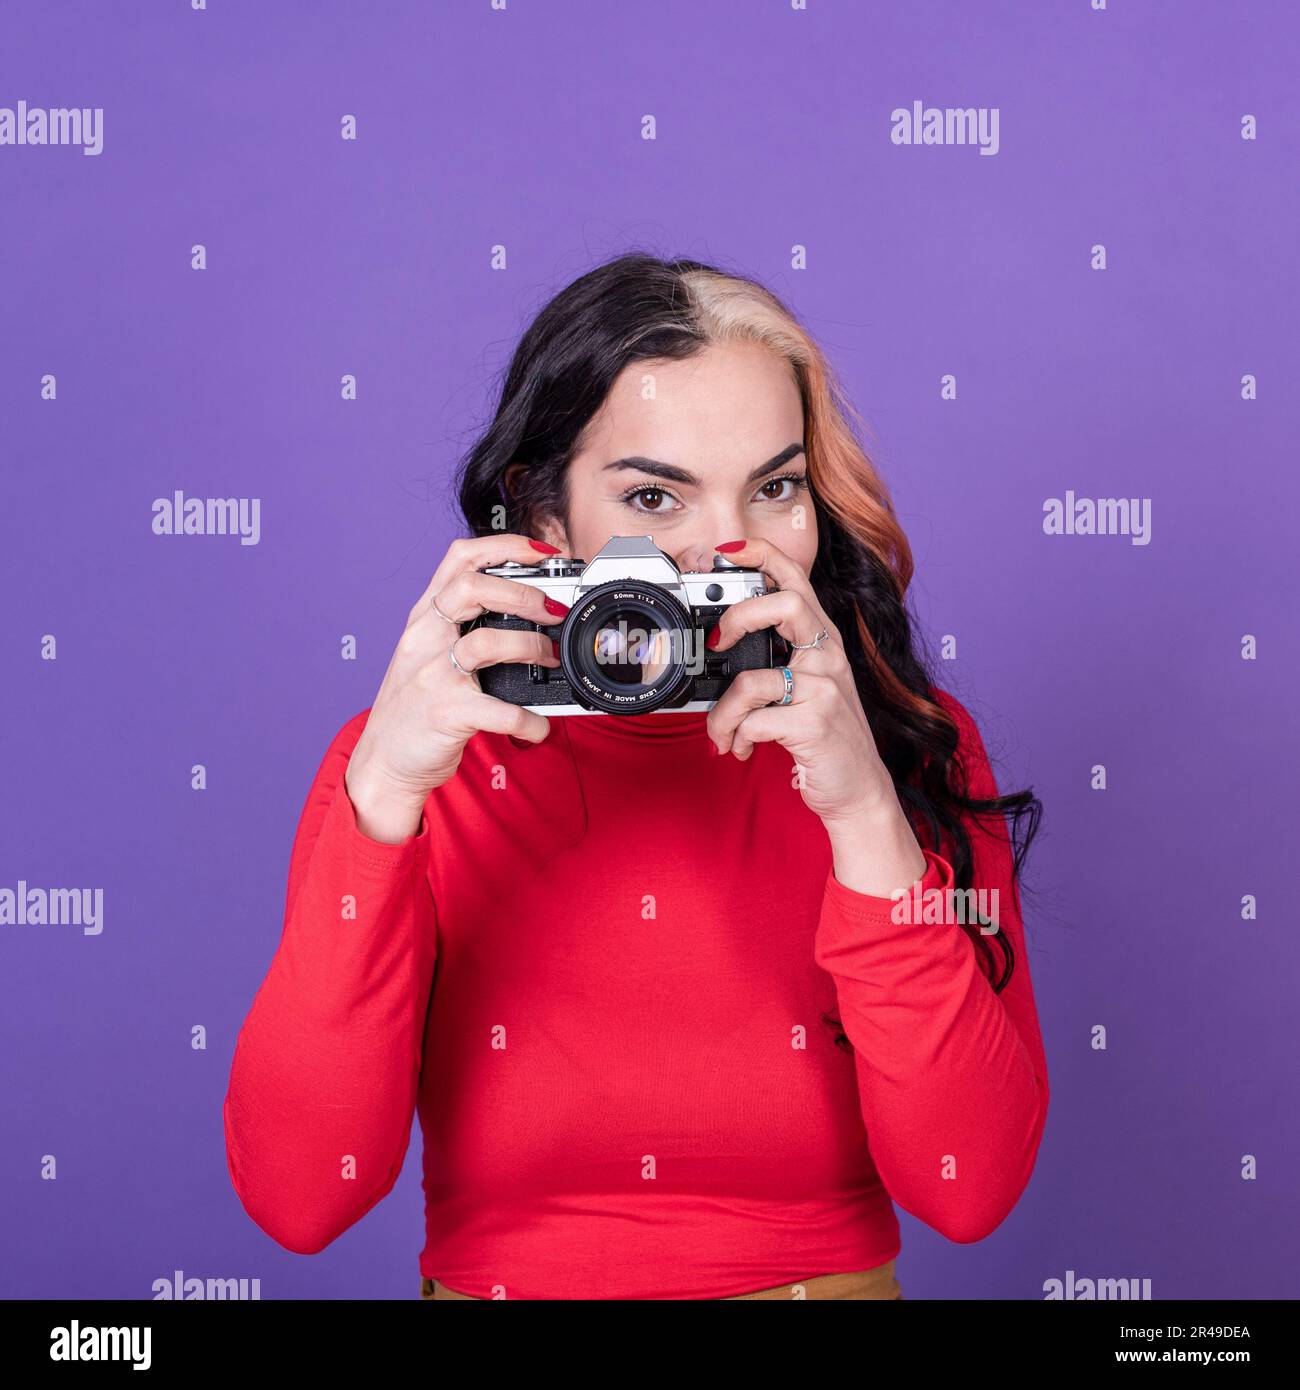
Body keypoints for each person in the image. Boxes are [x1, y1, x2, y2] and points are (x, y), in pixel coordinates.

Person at [222, 253, 1050, 1301]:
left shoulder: (906, 746)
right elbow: (302, 1201)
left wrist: (864, 815)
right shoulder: (409, 767)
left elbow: (967, 1188)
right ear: (544, 516)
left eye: (775, 487)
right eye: (654, 495)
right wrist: (381, 798)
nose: (722, 549)